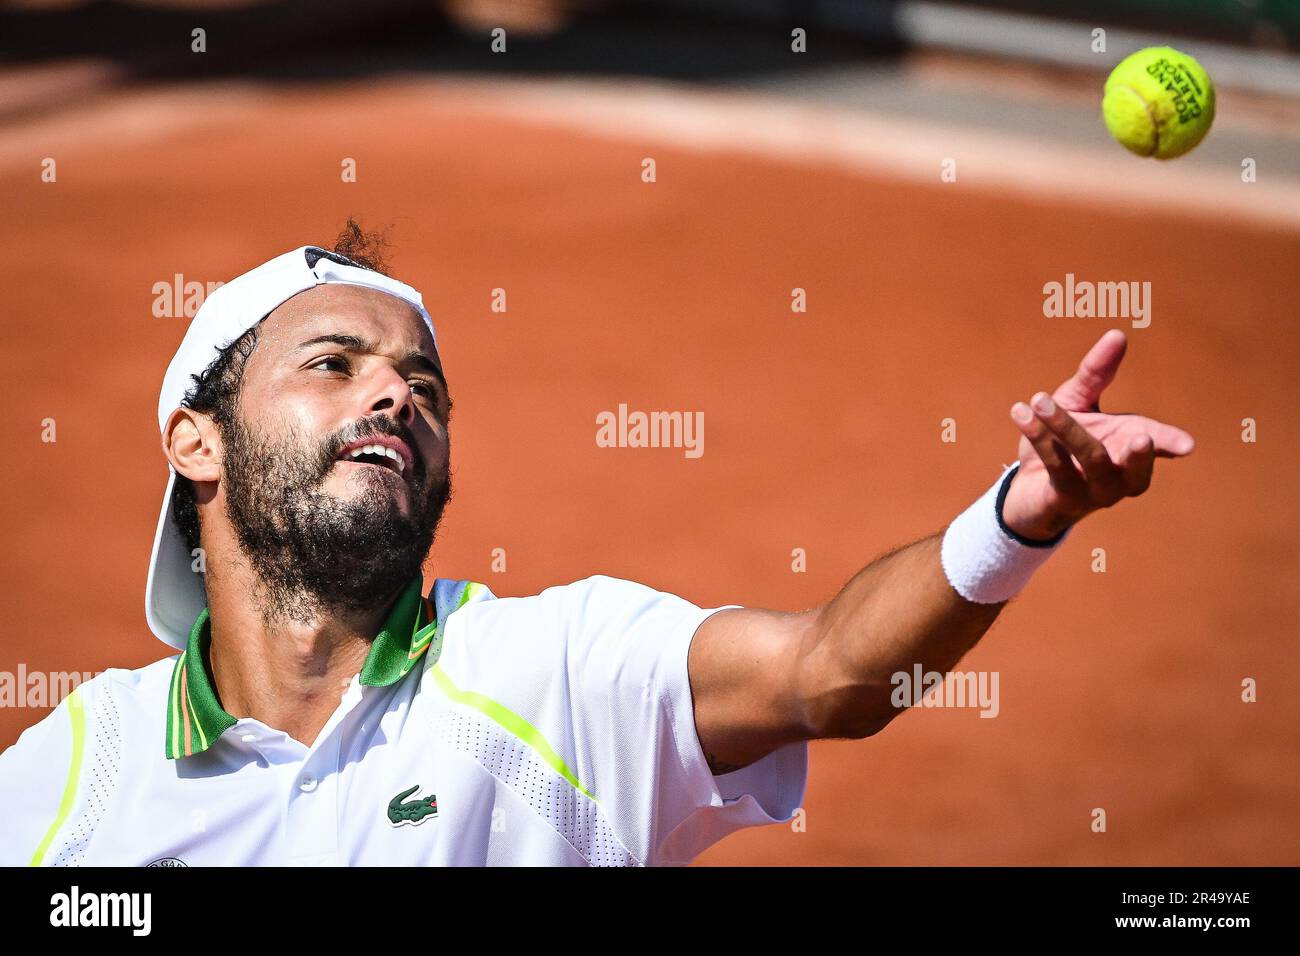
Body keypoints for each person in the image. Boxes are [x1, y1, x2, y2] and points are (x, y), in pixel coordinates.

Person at [0, 223, 1194, 866]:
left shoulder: (553, 671)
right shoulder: (66, 785)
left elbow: (829, 672)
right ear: (195, 443)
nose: (395, 398)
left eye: (424, 385)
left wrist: (1015, 521)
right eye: (332, 364)